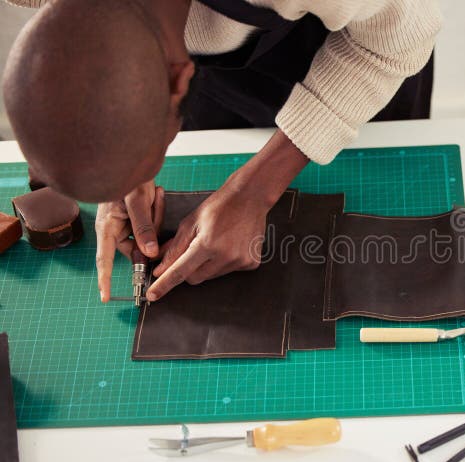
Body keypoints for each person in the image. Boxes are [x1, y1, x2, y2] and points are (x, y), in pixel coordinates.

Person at [2, 0, 440, 302]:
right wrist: (119, 165)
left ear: (178, 81)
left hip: (356, 41)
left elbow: (396, 40)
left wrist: (254, 191)